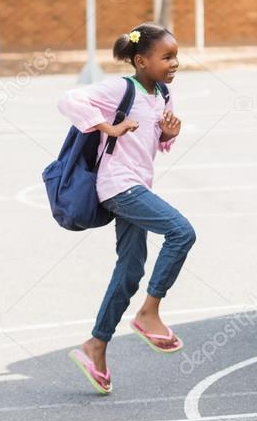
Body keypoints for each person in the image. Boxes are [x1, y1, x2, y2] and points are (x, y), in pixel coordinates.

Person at [59, 23, 194, 395]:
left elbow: (156, 141)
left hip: (137, 184)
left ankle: (95, 347)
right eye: (166, 57)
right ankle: (149, 313)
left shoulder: (162, 94)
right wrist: (108, 127)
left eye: (176, 56)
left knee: (131, 269)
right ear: (140, 60)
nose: (175, 63)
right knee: (181, 231)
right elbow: (69, 100)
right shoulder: (121, 88)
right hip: (118, 186)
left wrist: (168, 133)